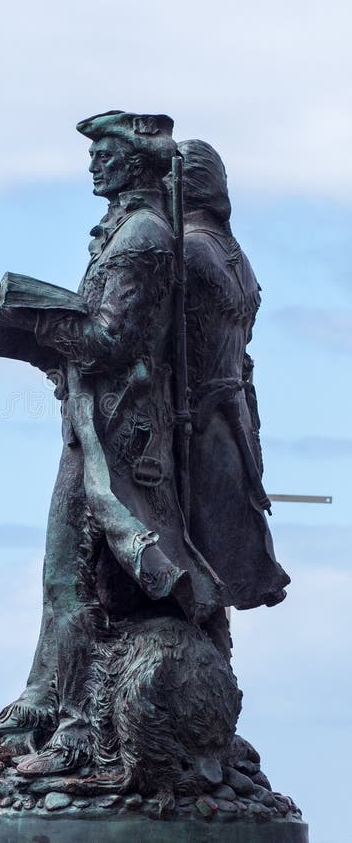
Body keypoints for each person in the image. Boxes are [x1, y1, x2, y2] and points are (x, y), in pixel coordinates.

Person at [0, 112, 222, 773]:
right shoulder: (125, 232)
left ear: (136, 164)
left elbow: (113, 342)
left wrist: (28, 316)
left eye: (106, 152)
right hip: (100, 424)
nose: (94, 164)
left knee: (74, 573)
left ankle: (77, 731)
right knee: (71, 575)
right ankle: (47, 703)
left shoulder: (141, 236)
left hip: (115, 434)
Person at [179, 140, 290, 655]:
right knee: (217, 538)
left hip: (200, 417)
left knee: (197, 543)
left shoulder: (191, 249)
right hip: (237, 414)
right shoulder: (234, 254)